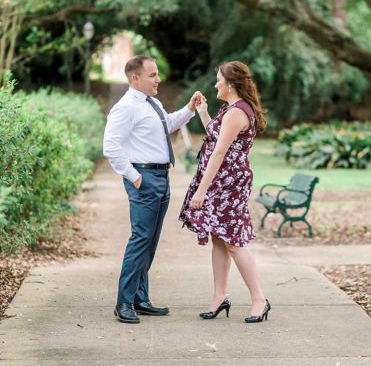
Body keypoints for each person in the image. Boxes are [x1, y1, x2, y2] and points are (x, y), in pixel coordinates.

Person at [103, 55, 202, 324]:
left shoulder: (153, 103)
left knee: (150, 241)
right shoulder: (125, 108)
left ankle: (140, 298)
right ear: (135, 78)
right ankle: (124, 302)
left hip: (161, 177)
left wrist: (189, 109)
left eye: (157, 74)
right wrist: (135, 178)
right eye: (152, 75)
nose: (158, 79)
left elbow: (167, 124)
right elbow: (111, 146)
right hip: (144, 178)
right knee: (140, 239)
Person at [179, 61, 270, 323]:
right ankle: (219, 297)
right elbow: (216, 136)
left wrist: (200, 192)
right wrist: (203, 112)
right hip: (221, 181)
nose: (215, 84)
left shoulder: (237, 112)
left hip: (229, 184)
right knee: (219, 239)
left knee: (233, 242)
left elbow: (219, 152)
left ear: (230, 84)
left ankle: (259, 300)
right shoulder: (230, 109)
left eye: (219, 79)